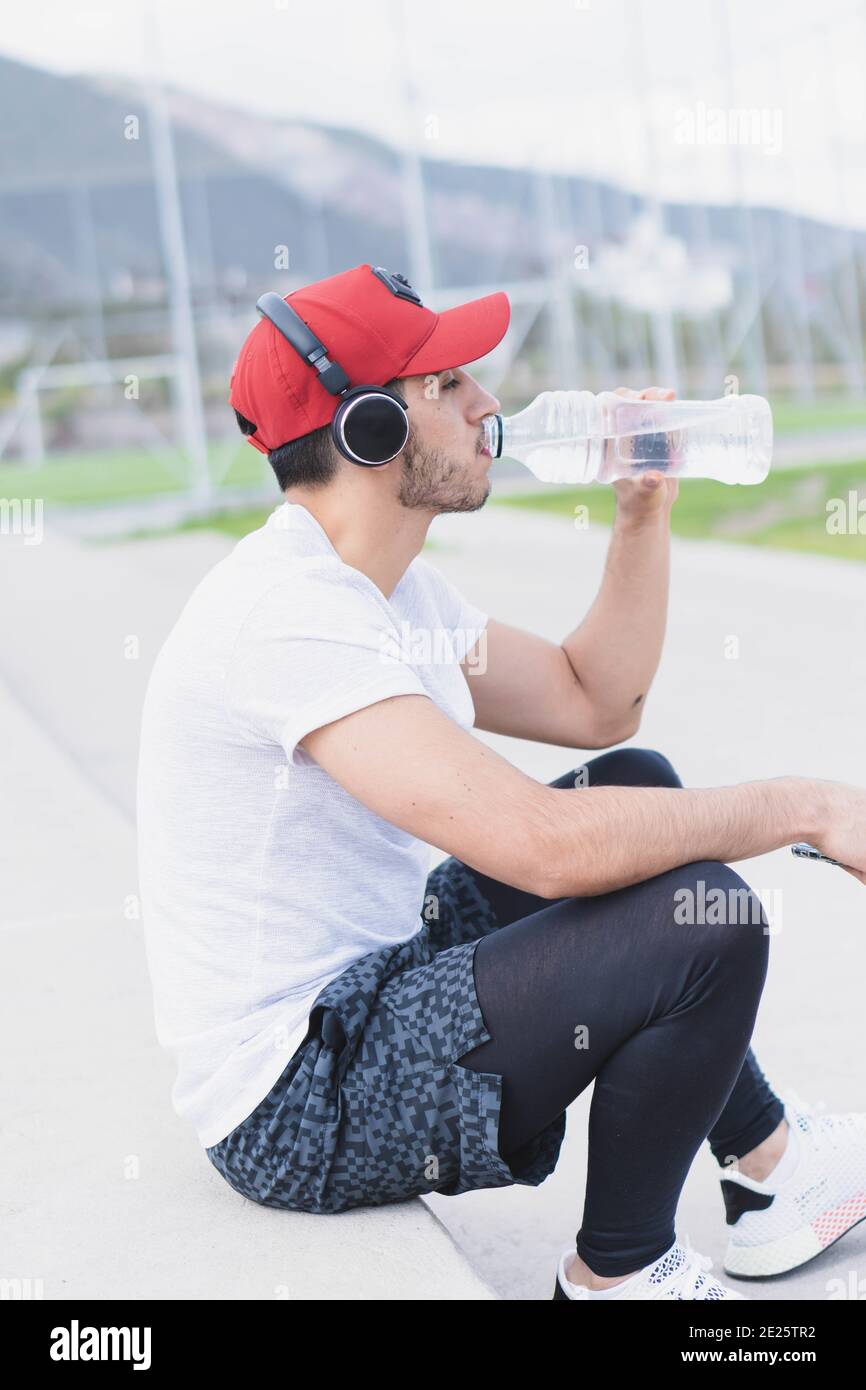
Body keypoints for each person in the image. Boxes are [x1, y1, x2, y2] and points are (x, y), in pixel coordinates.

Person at [136, 263, 866, 1302]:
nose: (487, 403)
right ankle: (617, 1275)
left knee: (634, 783)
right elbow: (543, 849)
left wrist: (638, 513)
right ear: (372, 431)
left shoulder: (387, 588)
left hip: (374, 983)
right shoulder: (285, 615)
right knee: (701, 922)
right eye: (445, 385)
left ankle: (772, 1173)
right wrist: (811, 803)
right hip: (298, 1097)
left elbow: (592, 699)